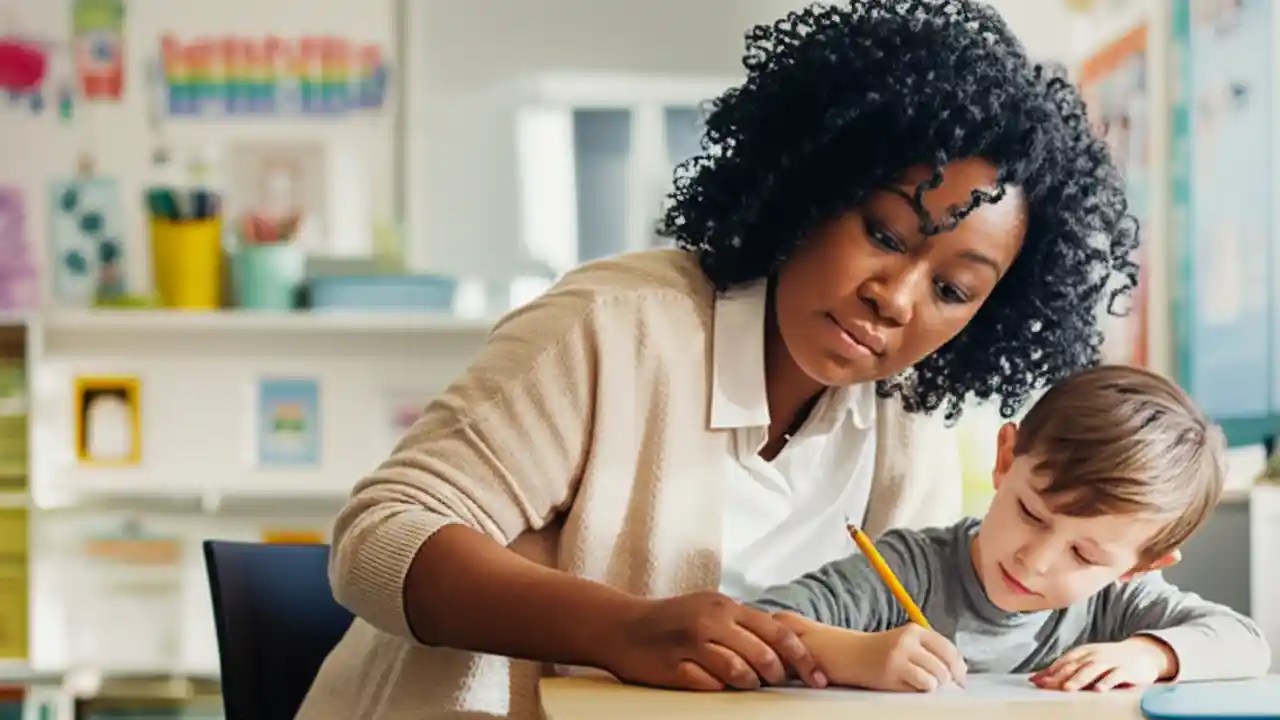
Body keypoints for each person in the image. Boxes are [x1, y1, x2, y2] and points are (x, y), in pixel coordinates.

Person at [296, 1, 1140, 717]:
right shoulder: (613, 326)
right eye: (882, 234)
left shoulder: (904, 422)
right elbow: (378, 541)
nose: (898, 298)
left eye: (954, 290)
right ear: (810, 189)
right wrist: (620, 629)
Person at [751, 366, 1271, 693]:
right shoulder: (906, 569)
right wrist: (855, 655)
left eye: (1084, 556)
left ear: (1140, 565)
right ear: (1006, 458)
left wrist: (1150, 654)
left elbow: (1247, 643)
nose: (1036, 560)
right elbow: (753, 625)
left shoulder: (1116, 603)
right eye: (1031, 514)